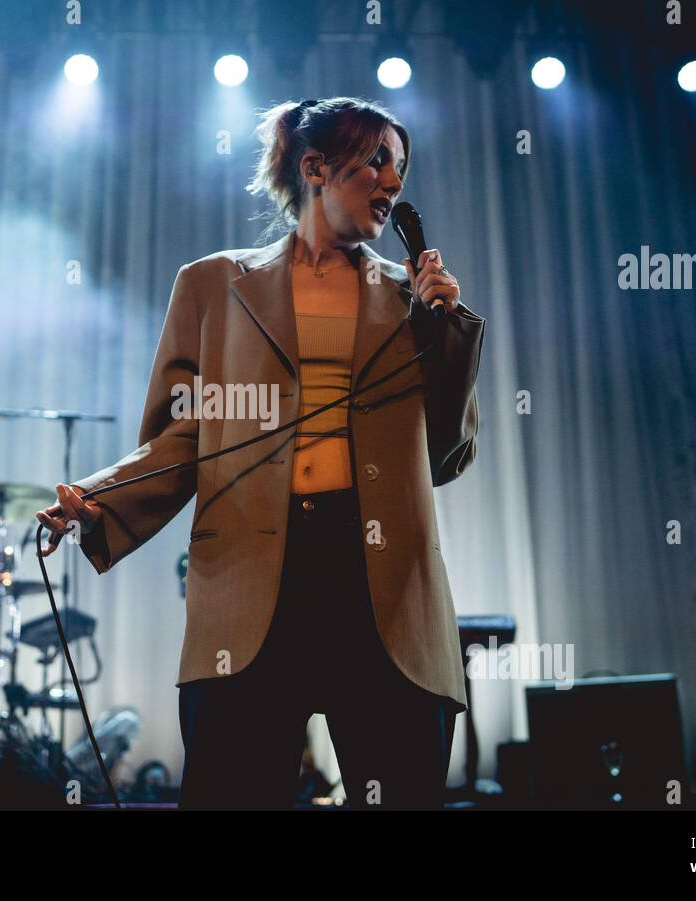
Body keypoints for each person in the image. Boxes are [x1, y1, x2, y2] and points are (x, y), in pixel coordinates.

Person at [36, 97, 485, 809]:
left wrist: (449, 329)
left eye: (400, 165)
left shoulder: (411, 300)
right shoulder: (214, 285)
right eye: (375, 159)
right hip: (253, 575)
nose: (393, 179)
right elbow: (183, 435)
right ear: (314, 167)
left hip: (382, 584)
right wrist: (98, 497)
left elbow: (445, 455)